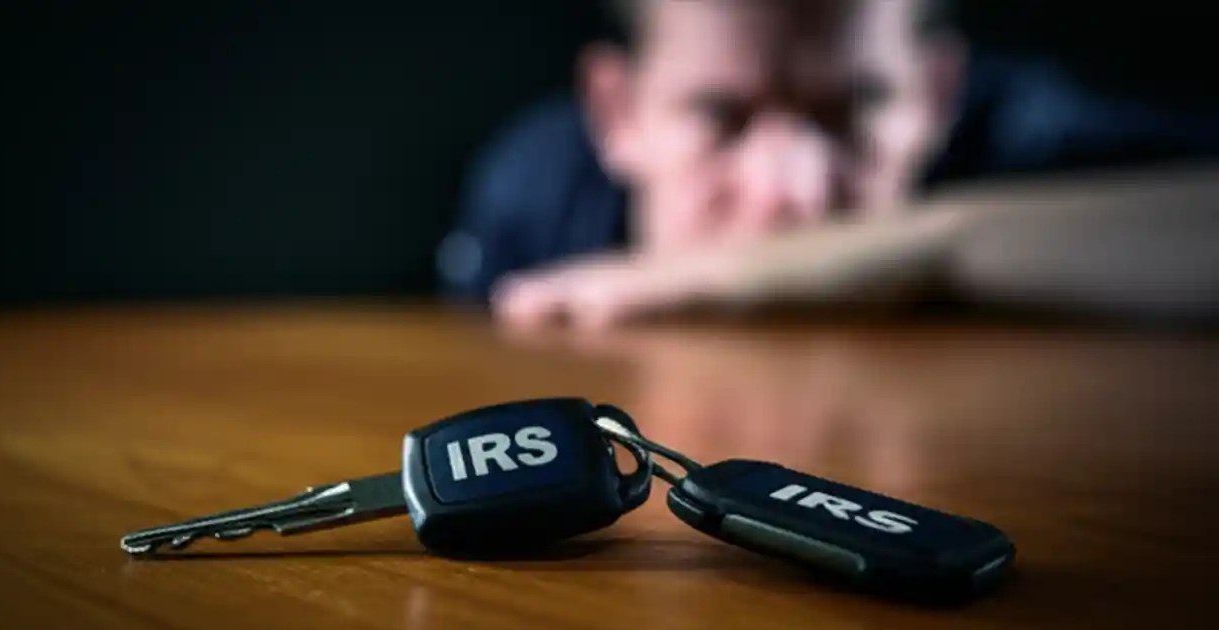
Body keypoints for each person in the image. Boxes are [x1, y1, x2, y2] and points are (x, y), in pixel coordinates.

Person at [439, 0, 1218, 327]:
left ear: (938, 94)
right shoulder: (534, 194)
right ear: (617, 113)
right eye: (719, 117)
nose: (794, 194)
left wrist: (941, 245)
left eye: (855, 113)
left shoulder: (1024, 134)